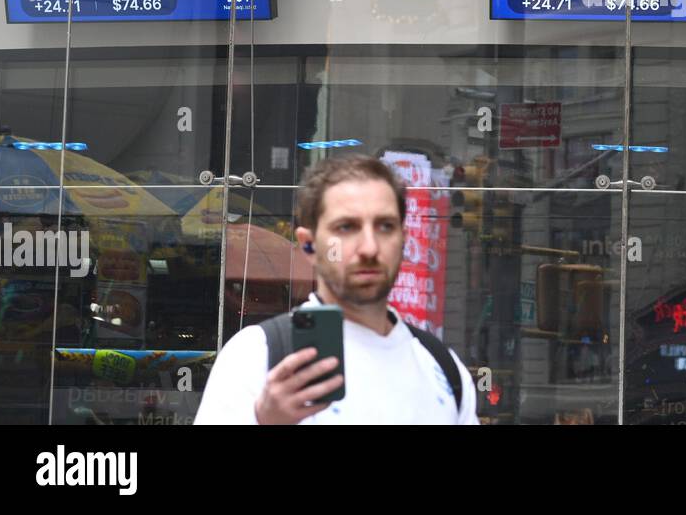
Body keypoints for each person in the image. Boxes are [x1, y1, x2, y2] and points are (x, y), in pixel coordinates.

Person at [196, 155, 478, 424]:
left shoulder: (442, 368)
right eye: (346, 227)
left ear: (404, 239)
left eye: (385, 226)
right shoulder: (255, 356)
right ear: (309, 245)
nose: (369, 247)